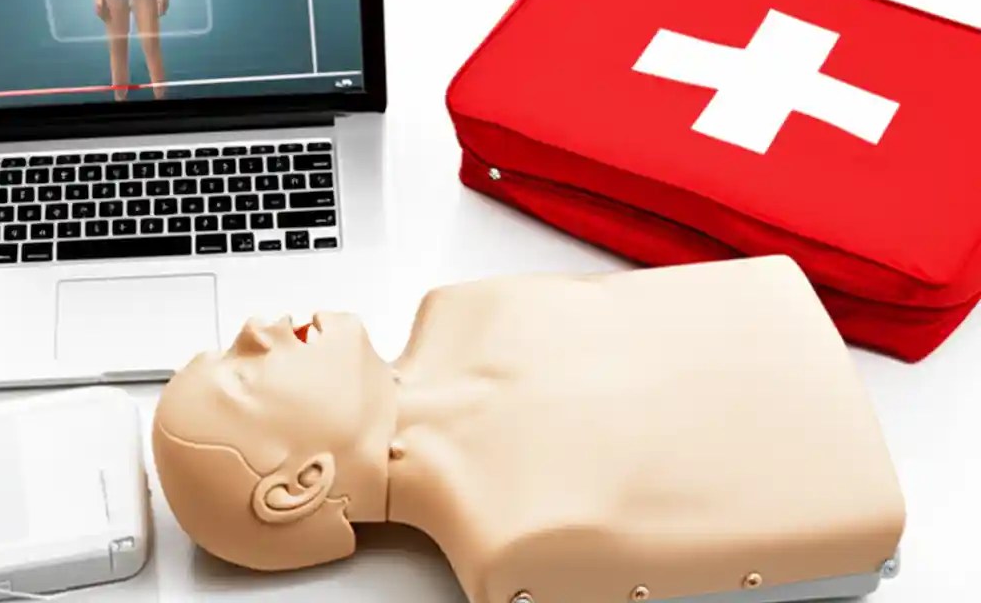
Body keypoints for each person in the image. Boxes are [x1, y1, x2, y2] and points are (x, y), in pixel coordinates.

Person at [152, 257, 905, 603]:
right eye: (244, 376)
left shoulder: (459, 309)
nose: (254, 327)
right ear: (302, 484)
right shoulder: (519, 536)